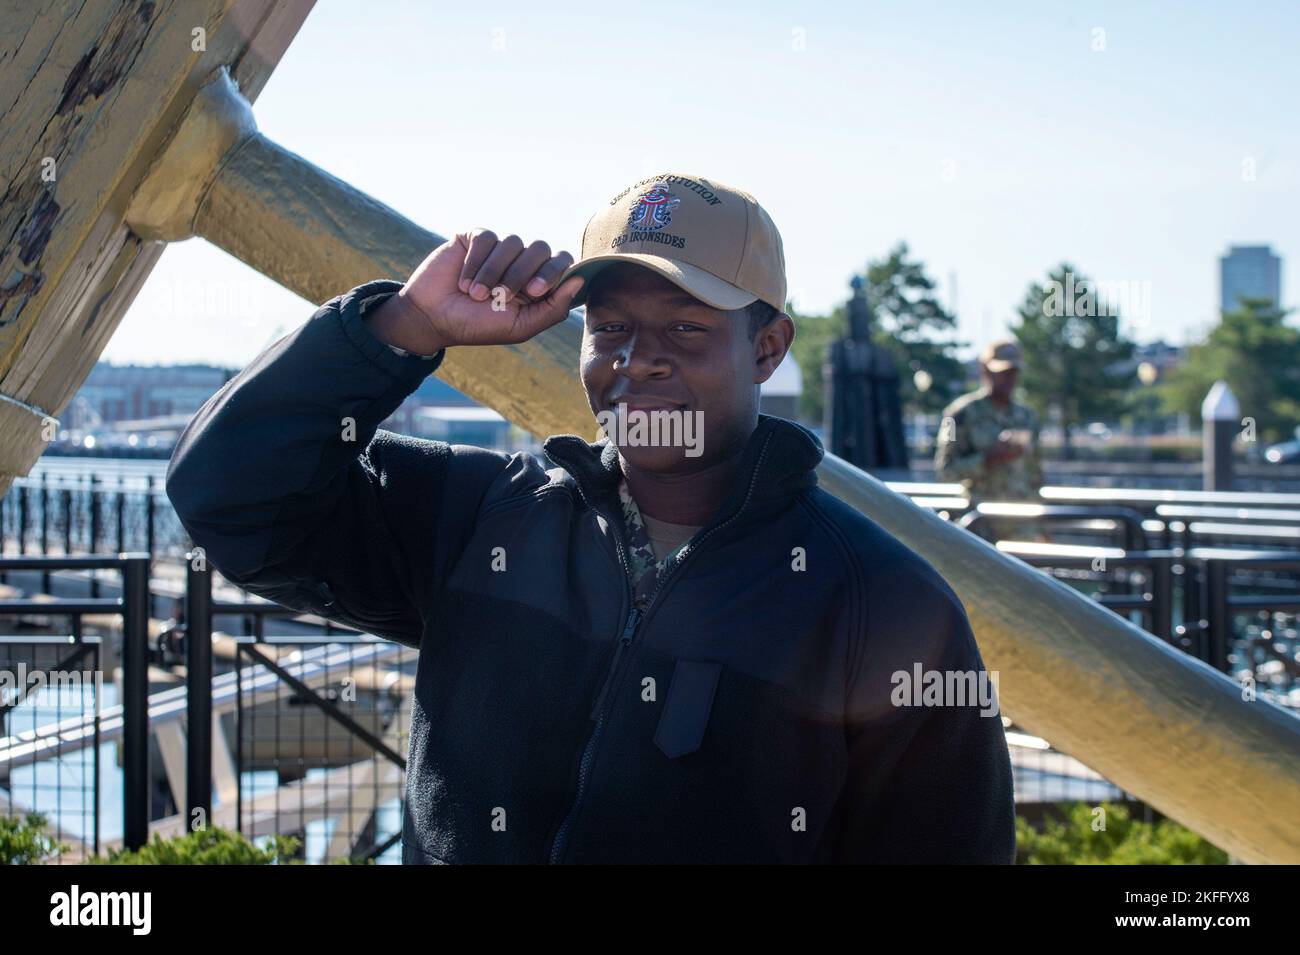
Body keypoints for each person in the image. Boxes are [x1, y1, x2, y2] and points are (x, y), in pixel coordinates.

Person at [167, 172, 1014, 864]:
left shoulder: (883, 606)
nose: (636, 361)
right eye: (609, 328)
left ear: (767, 348)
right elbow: (228, 495)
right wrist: (406, 325)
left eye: (684, 328)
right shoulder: (479, 522)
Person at [935, 340, 1044, 506]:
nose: (1010, 379)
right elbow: (946, 471)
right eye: (1003, 372)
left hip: (1021, 519)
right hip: (979, 518)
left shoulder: (1028, 417)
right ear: (985, 370)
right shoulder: (958, 414)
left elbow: (1036, 473)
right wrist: (988, 458)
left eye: (1014, 372)